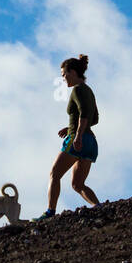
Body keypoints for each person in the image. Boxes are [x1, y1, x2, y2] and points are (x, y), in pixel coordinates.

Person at [39, 54, 100, 219]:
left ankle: (50, 212)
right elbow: (94, 118)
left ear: (73, 72)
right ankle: (98, 206)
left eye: (64, 74)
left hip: (77, 140)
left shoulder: (78, 90)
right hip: (91, 143)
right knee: (78, 184)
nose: (63, 78)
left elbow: (84, 114)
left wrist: (77, 135)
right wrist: (71, 126)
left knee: (54, 174)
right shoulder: (88, 90)